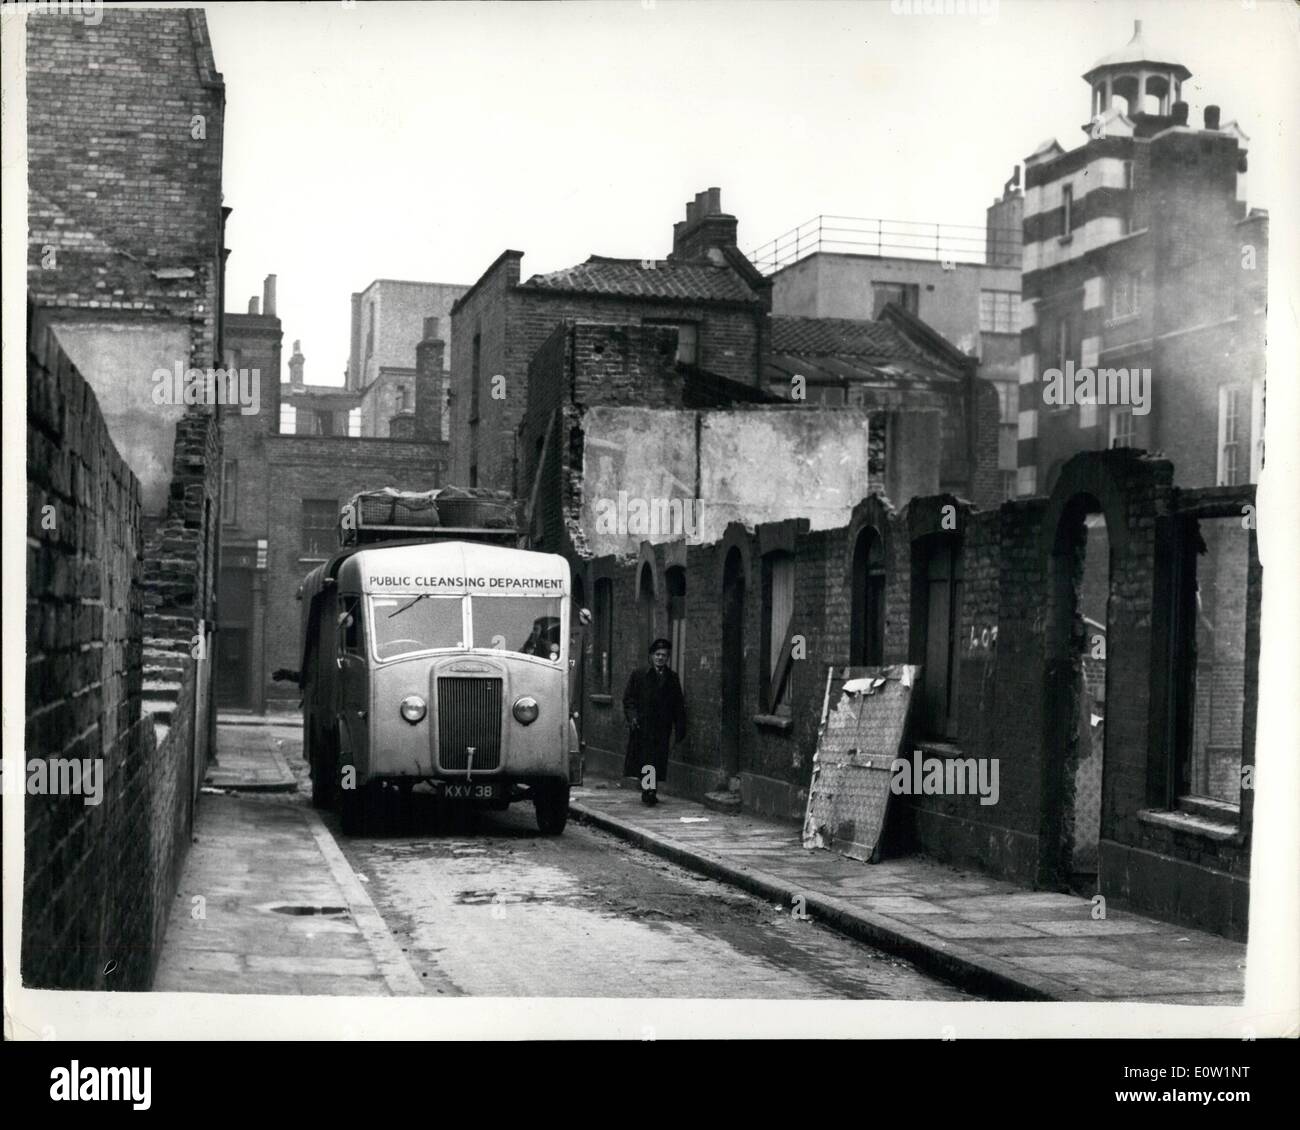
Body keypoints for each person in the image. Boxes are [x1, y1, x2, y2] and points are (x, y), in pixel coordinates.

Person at [622, 638, 687, 806]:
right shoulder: (639, 675)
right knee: (648, 759)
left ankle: (651, 789)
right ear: (651, 656)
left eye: (664, 655)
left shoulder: (672, 678)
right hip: (644, 726)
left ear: (668, 658)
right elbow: (628, 699)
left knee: (658, 759)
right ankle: (648, 791)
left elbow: (678, 704)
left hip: (662, 727)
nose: (660, 658)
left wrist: (679, 726)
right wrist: (633, 717)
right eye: (657, 655)